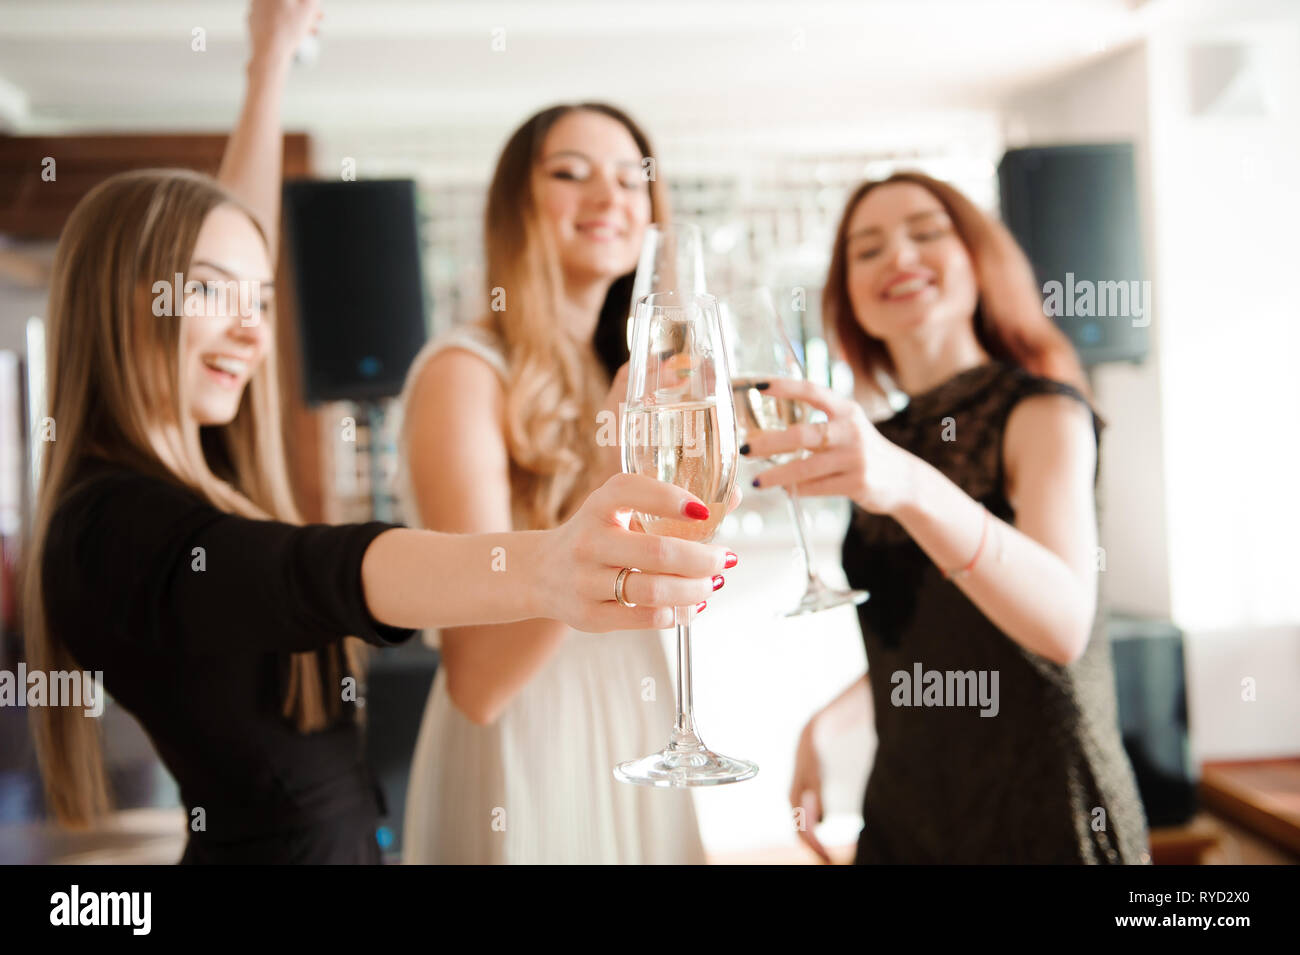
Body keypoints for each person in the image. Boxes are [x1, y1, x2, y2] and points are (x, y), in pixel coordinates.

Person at [22, 1, 731, 865]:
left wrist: (268, 64)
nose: (253, 328)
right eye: (209, 292)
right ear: (122, 301)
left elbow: (229, 238)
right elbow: (314, 573)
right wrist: (549, 561)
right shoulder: (116, 527)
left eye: (262, 301)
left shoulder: (200, 461)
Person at [745, 171, 1149, 864]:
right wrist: (828, 720)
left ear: (978, 262)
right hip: (910, 809)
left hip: (1040, 807)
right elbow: (940, 635)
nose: (899, 256)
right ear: (849, 299)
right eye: (867, 249)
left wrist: (910, 484)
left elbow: (1061, 627)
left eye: (927, 233)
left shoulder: (1043, 412)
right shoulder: (884, 441)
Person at [399, 103, 718, 863]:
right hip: (529, 735)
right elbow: (477, 681)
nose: (609, 198)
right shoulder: (464, 374)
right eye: (571, 174)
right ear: (516, 207)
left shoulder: (632, 375)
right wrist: (613, 477)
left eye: (630, 179)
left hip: (638, 717)